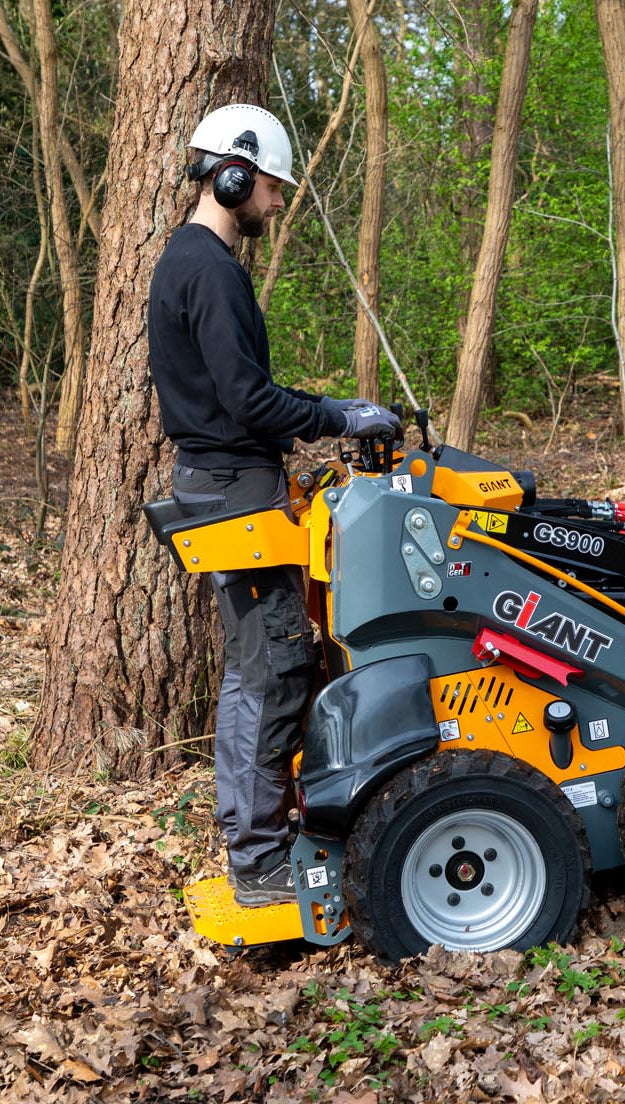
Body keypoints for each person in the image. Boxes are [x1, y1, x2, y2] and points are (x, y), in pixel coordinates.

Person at [147, 102, 399, 906]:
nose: (279, 202)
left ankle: (265, 838)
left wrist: (328, 407)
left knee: (262, 668)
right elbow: (249, 400)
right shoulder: (209, 271)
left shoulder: (193, 262)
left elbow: (246, 395)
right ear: (233, 173)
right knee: (277, 669)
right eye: (272, 187)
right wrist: (336, 415)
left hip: (224, 480)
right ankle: (257, 865)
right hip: (231, 490)